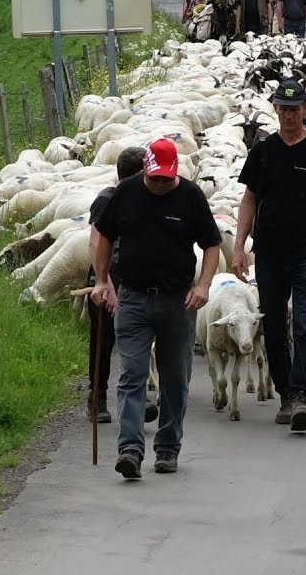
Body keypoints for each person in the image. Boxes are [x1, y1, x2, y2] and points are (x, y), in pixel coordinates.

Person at [91, 138, 222, 479]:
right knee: (132, 375)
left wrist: (204, 285)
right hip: (132, 297)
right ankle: (130, 450)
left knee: (175, 378)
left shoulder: (191, 196)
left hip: (177, 300)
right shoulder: (125, 193)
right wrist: (102, 280)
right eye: (154, 178)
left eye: (166, 179)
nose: (160, 184)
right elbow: (103, 235)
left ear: (175, 171)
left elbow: (211, 244)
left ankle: (167, 447)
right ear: (146, 170)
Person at [233, 81, 306, 432]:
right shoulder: (263, 149)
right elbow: (250, 197)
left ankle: (301, 395)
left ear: (305, 108)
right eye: (282, 108)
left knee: (303, 324)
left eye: (293, 108)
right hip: (268, 251)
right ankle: (285, 391)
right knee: (273, 325)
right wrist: (238, 246)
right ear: (275, 109)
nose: (287, 115)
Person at [85, 146, 149, 424]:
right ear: (137, 173)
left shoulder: (146, 200)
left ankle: (138, 398)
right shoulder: (107, 199)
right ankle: (97, 397)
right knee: (104, 338)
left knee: (136, 339)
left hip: (136, 276)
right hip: (107, 275)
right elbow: (95, 243)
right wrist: (104, 283)